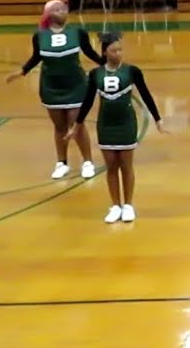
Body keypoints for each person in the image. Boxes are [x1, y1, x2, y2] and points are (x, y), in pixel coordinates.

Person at [70, 32, 167, 223]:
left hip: (126, 124)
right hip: (106, 125)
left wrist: (158, 119)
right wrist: (77, 125)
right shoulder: (96, 74)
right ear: (105, 52)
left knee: (126, 166)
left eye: (120, 49)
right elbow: (88, 101)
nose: (118, 53)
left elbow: (146, 95)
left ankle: (128, 205)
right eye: (113, 50)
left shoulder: (132, 71)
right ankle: (115, 205)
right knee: (111, 167)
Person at [4, 0, 105, 180]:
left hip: (76, 85)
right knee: (59, 126)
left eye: (64, 8)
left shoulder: (78, 32)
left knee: (77, 124)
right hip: (51, 87)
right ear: (48, 14)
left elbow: (90, 52)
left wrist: (108, 65)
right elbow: (36, 57)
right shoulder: (39, 36)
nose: (62, 11)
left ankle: (87, 162)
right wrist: (22, 72)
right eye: (57, 9)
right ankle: (62, 163)